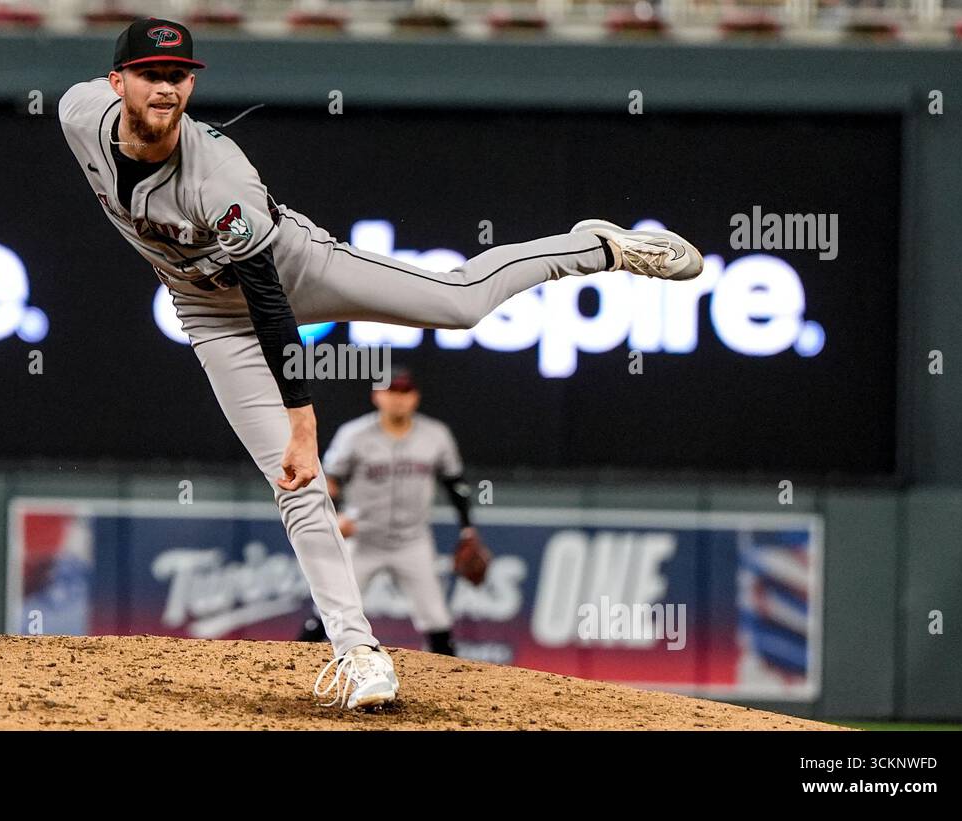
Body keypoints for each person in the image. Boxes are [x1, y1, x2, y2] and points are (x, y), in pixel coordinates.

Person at [58, 17, 703, 710]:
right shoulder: (76, 112)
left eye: (179, 75)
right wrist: (296, 444)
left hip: (294, 270)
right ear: (116, 81)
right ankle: (360, 654)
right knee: (295, 484)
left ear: (193, 83)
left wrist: (303, 420)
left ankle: (599, 248)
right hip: (209, 315)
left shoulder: (219, 175)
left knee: (459, 304)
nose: (166, 87)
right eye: (151, 74)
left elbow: (271, 300)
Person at [297, 370, 475, 656]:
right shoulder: (353, 434)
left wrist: (468, 529)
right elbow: (328, 480)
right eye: (392, 392)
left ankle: (451, 689)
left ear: (415, 397)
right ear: (377, 395)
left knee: (437, 620)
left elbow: (456, 483)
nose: (398, 399)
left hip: (413, 542)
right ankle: (289, 671)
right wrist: (335, 516)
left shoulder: (436, 435)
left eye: (405, 392)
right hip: (363, 539)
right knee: (329, 613)